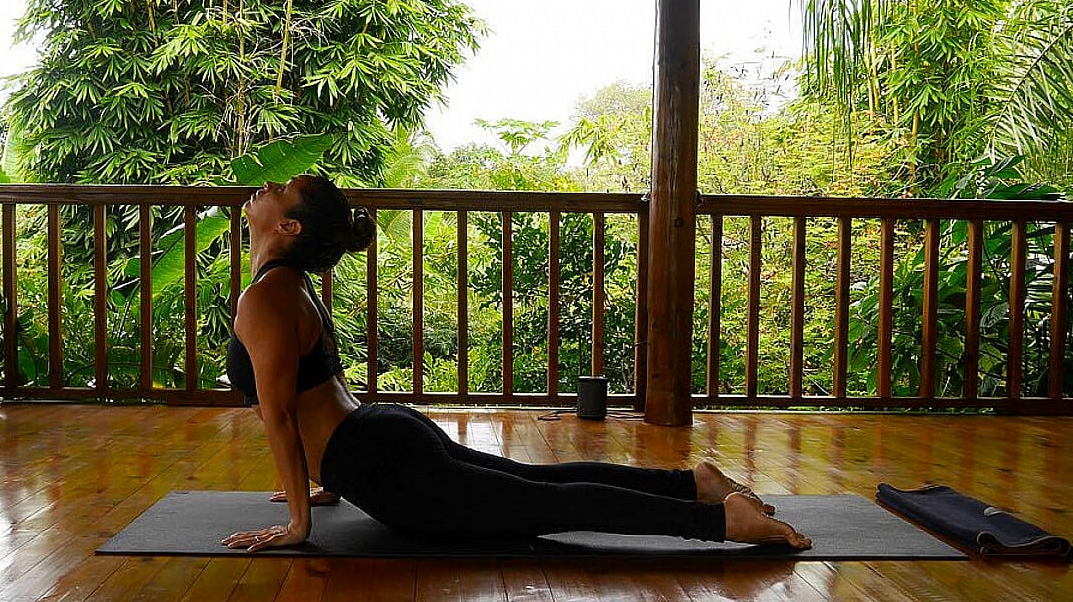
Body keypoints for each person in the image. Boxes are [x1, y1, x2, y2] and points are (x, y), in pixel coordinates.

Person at [221, 175, 812, 553]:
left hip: (380, 463)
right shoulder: (286, 287)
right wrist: (329, 482)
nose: (267, 185)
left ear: (288, 226)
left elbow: (279, 417)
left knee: (545, 504)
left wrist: (299, 526)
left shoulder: (267, 295)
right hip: (376, 441)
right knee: (537, 484)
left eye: (280, 188)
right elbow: (315, 395)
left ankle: (722, 523)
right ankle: (693, 484)